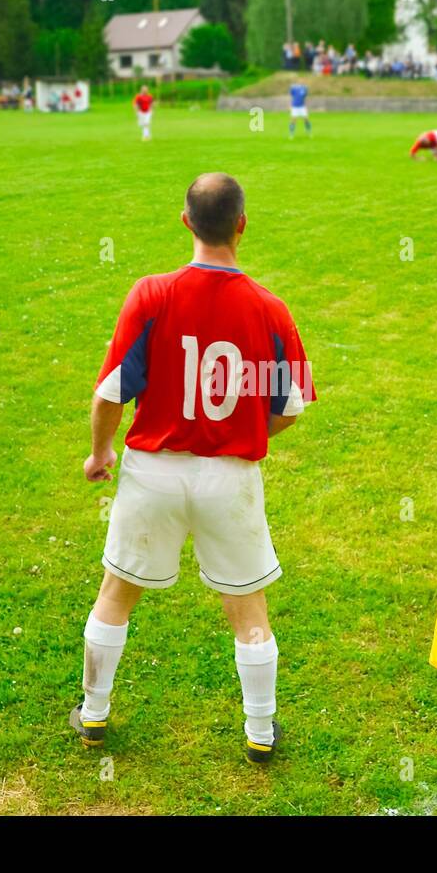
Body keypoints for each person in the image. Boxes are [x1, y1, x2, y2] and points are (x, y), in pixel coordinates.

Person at [74, 172, 315, 764]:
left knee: (116, 592)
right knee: (248, 607)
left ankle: (94, 714)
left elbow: (111, 394)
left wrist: (101, 452)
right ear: (242, 225)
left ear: (185, 221)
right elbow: (294, 405)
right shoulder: (271, 309)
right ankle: (260, 731)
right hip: (229, 479)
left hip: (152, 471)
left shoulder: (151, 294)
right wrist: (247, 432)